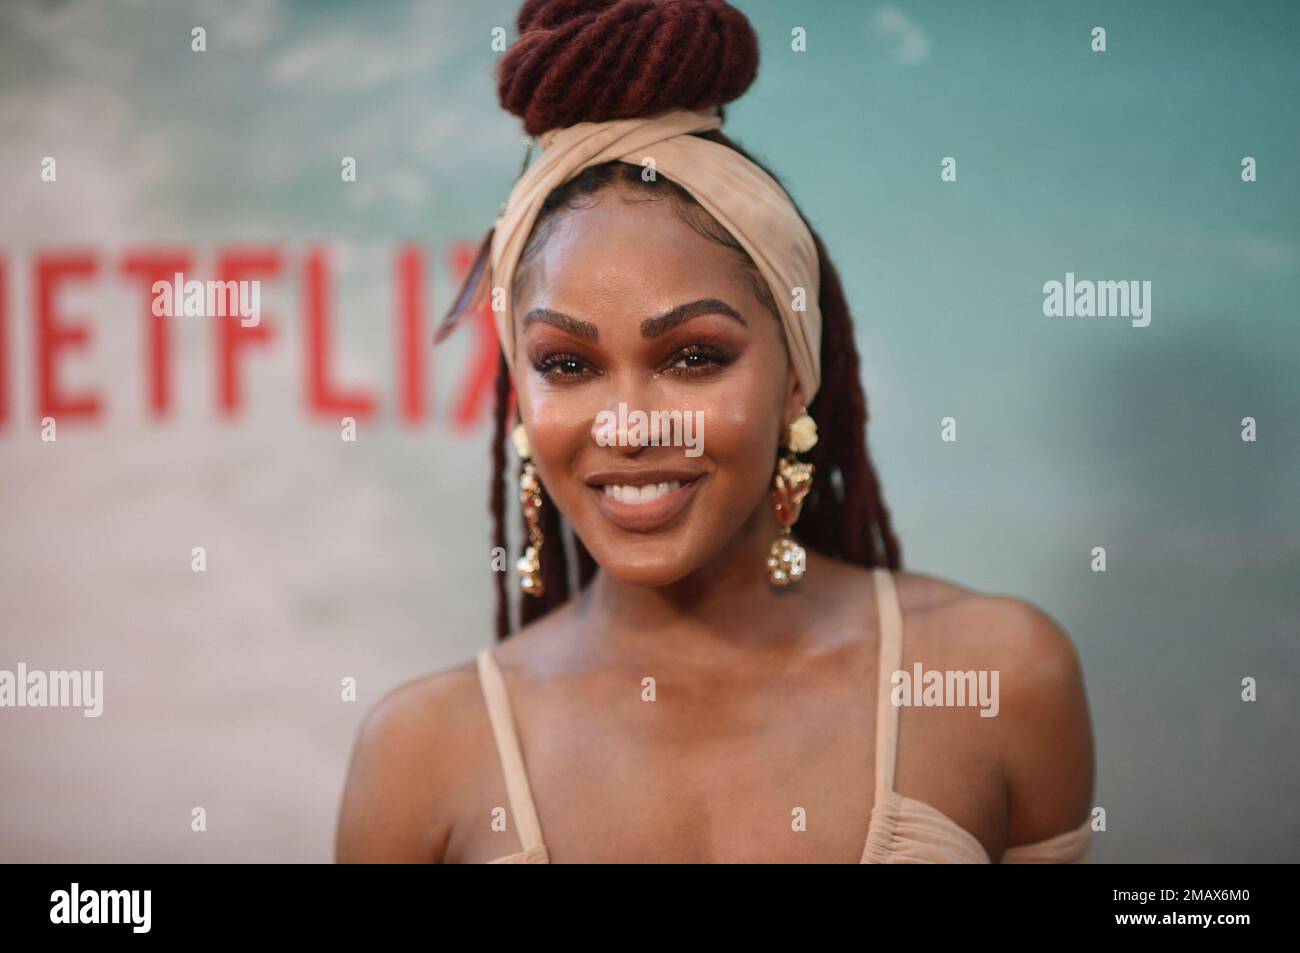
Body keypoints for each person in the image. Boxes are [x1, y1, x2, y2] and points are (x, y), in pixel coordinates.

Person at [336, 0, 1094, 864]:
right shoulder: (416, 756)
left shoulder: (1001, 678)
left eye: (694, 355)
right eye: (567, 365)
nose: (626, 425)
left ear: (796, 374)